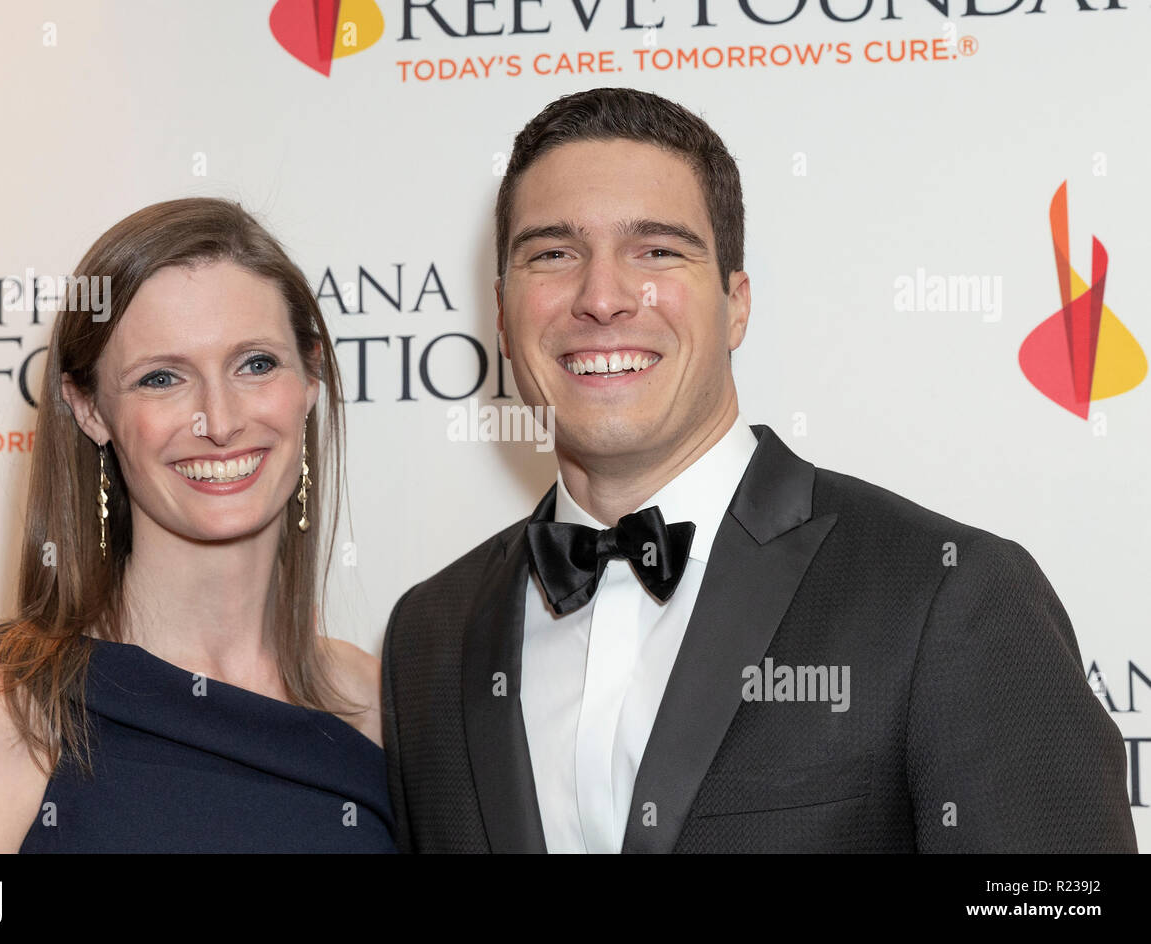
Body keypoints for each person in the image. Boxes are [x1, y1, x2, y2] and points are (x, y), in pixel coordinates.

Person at [380, 88, 1137, 853]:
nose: (602, 297)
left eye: (657, 250)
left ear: (736, 304)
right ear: (504, 312)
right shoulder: (428, 635)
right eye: (553, 254)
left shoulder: (946, 592)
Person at [0, 198, 395, 853]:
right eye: (161, 378)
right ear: (88, 408)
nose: (220, 419)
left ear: (311, 376)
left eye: (256, 364)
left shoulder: (378, 706)